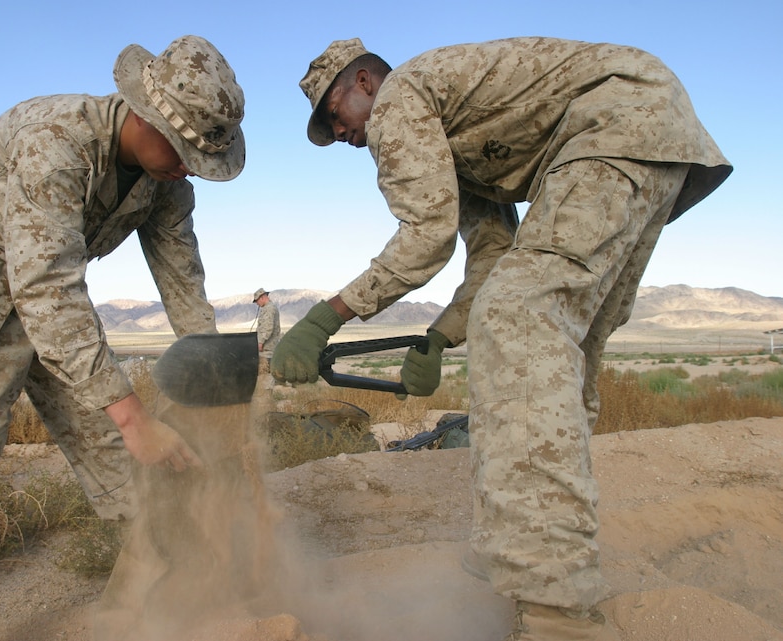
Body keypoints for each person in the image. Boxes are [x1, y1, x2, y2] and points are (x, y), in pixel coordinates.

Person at [274, 37, 731, 640]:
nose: (339, 134)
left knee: (519, 318)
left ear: (363, 84)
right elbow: (489, 255)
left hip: (612, 126)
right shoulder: (450, 140)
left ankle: (555, 608)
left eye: (334, 115)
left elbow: (426, 233)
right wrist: (437, 339)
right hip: (650, 136)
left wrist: (325, 317)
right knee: (555, 344)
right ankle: (524, 553)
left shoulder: (399, 97)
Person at [0, 35, 245, 641]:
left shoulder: (165, 181)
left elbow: (182, 277)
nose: (188, 164)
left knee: (120, 447)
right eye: (182, 148)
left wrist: (211, 371)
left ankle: (150, 593)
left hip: (49, 308)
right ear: (145, 116)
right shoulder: (56, 141)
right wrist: (134, 416)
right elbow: (46, 285)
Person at [252, 288, 281, 372]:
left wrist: (260, 342)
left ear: (262, 297)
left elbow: (267, 327)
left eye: (257, 301)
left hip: (267, 348)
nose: (257, 303)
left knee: (265, 372)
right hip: (267, 347)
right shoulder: (267, 308)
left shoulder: (269, 309)